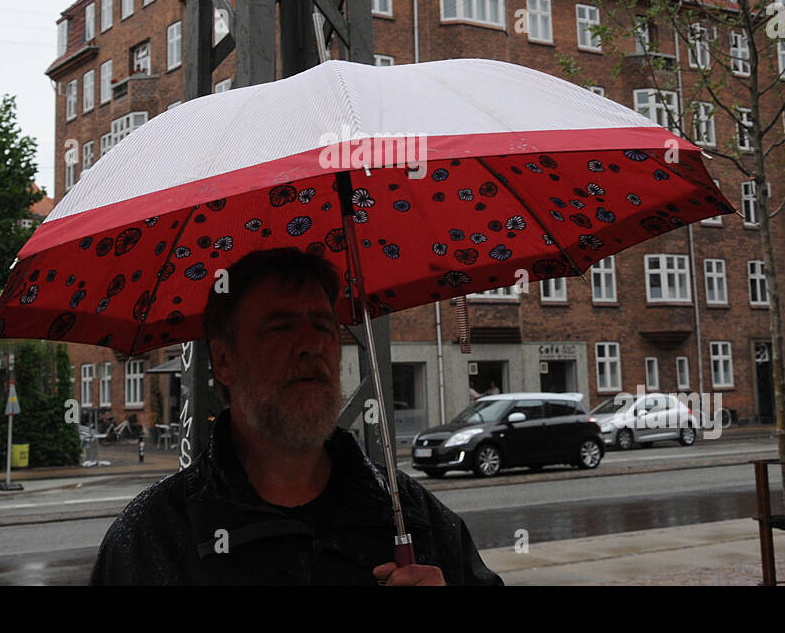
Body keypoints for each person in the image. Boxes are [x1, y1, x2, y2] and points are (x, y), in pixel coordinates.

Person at [89, 247, 502, 586]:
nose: (310, 345)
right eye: (280, 327)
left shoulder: (413, 518)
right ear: (224, 359)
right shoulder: (154, 541)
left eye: (323, 326)